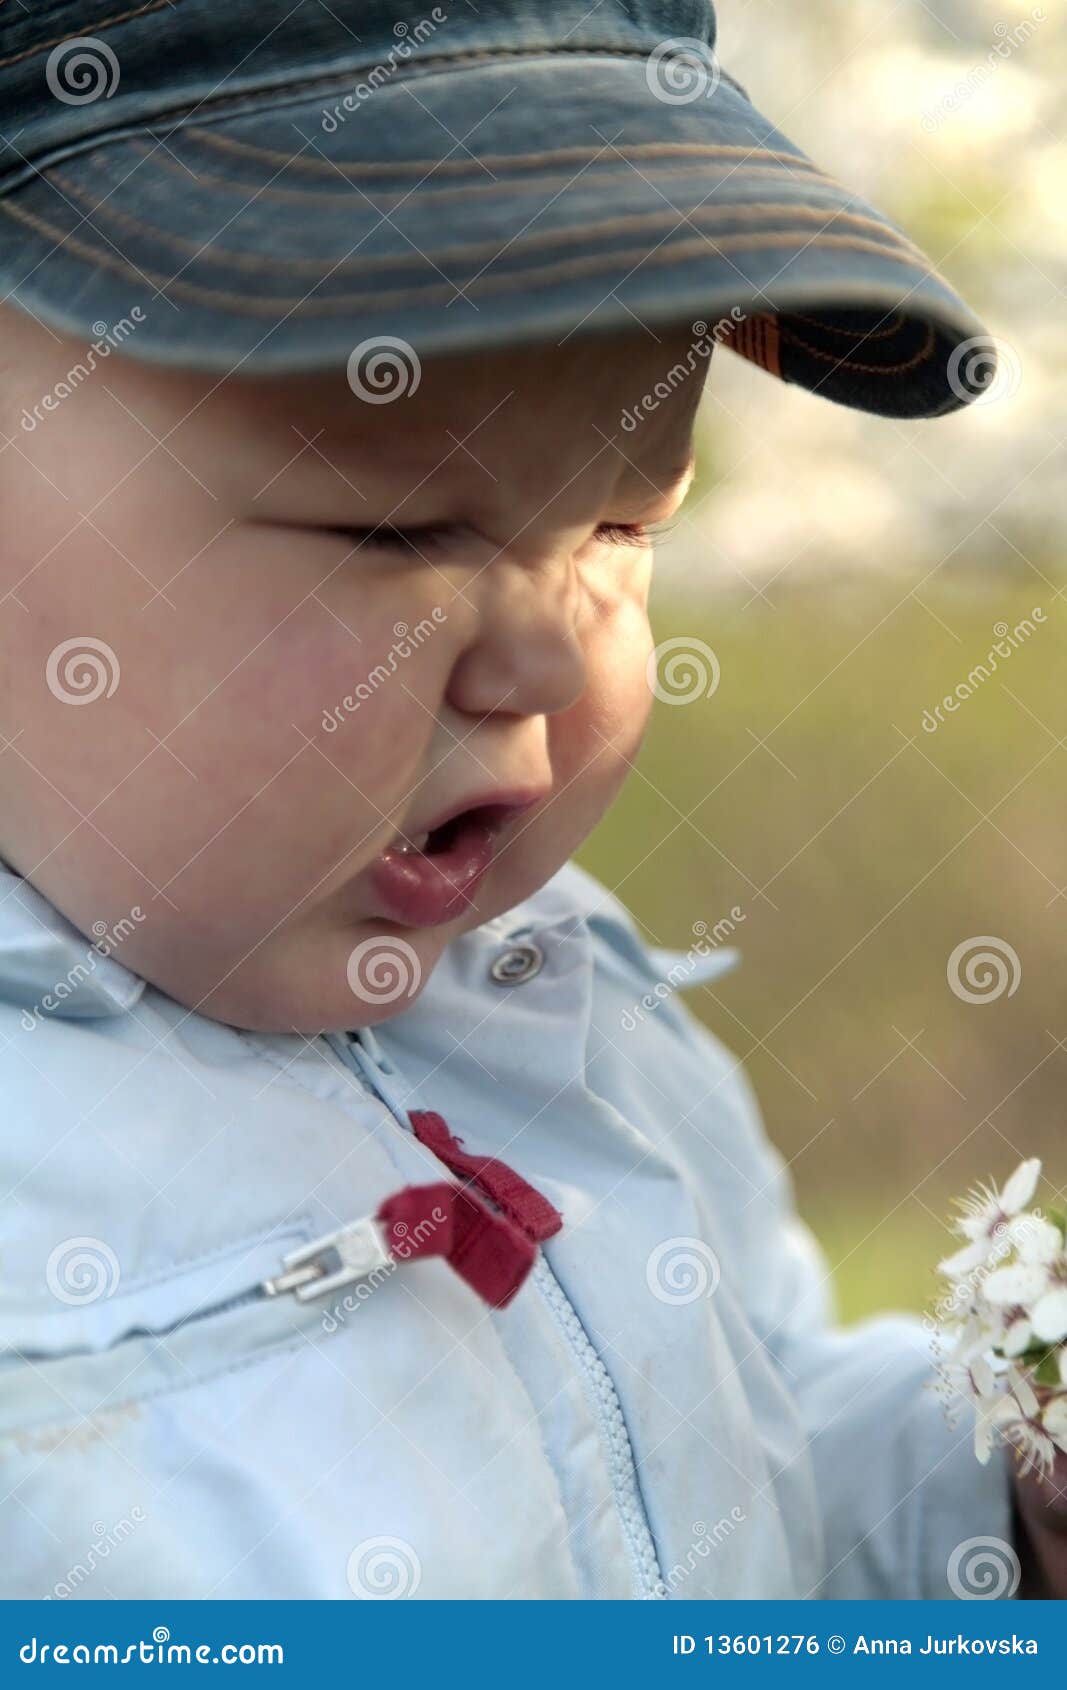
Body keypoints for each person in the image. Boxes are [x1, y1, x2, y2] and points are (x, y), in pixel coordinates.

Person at [0, 0, 1056, 1599]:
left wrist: (993, 1519)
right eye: (398, 534)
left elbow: (751, 1453)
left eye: (627, 527)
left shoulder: (562, 989)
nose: (558, 659)